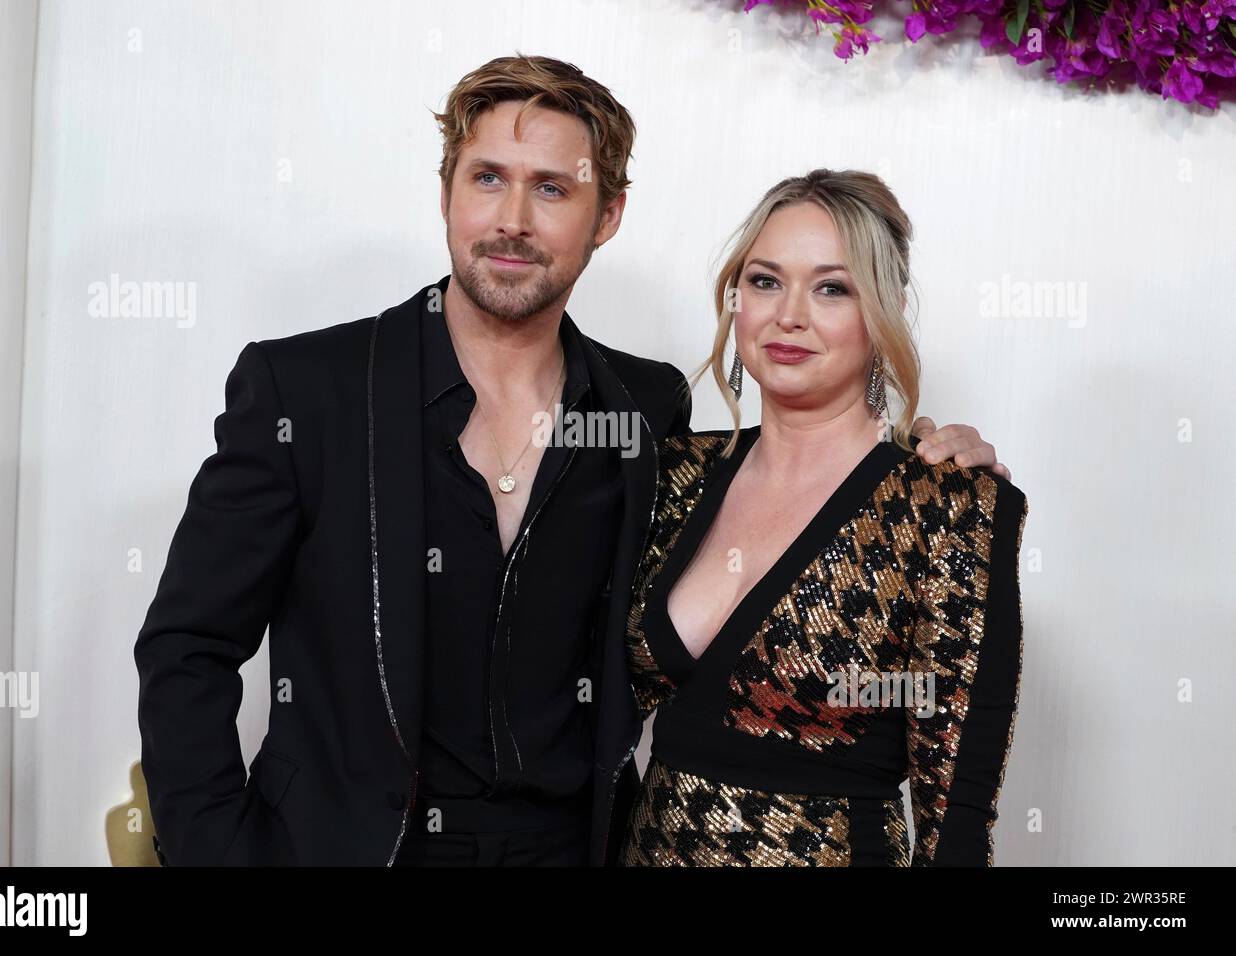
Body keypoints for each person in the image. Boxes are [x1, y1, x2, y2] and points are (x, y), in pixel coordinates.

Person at [134, 55, 1007, 867]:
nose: (513, 221)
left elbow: (820, 498)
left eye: (552, 188)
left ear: (608, 216)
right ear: (446, 194)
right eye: (488, 179)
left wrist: (939, 464)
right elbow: (188, 647)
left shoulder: (644, 415)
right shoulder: (305, 391)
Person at [620, 170, 1027, 866]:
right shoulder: (677, 473)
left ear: (886, 309)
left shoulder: (947, 505)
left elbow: (956, 806)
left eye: (832, 287)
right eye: (765, 280)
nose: (790, 315)